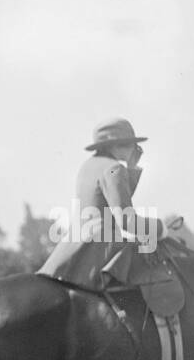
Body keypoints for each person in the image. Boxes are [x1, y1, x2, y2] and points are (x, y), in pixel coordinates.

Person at [39, 117, 170, 292]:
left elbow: (112, 200)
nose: (134, 149)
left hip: (75, 244)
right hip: (102, 247)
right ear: (117, 146)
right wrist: (161, 229)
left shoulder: (88, 166)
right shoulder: (115, 168)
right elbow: (126, 220)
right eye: (130, 144)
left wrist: (132, 168)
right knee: (159, 275)